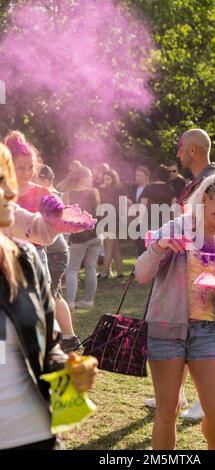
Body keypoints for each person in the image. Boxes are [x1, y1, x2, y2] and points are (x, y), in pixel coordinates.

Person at [135, 173, 215, 450]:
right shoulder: (175, 229)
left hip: (207, 332)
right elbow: (141, 274)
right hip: (165, 329)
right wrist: (159, 247)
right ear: (205, 198)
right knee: (166, 411)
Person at [0, 143, 98, 450]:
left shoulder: (26, 261)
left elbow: (46, 347)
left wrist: (66, 374)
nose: (7, 193)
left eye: (6, 182)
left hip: (37, 434)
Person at [145, 129, 215, 420]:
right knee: (183, 326)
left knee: (204, 327)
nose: (176, 154)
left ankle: (205, 399)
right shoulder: (196, 182)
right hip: (184, 265)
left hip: (205, 265)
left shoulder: (213, 181)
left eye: (180, 148)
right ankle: (175, 392)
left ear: (193, 151)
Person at [35, 164, 81, 352]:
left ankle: (53, 340)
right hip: (54, 251)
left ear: (45, 179)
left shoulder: (50, 196)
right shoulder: (47, 193)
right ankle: (70, 337)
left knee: (49, 296)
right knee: (55, 294)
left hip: (55, 252)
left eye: (35, 176)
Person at [4, 131, 51, 277]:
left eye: (30, 167)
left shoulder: (42, 192)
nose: (26, 173)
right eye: (21, 168)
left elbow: (49, 228)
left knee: (40, 299)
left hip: (36, 256)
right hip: (8, 257)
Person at [64, 166, 101, 310]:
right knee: (90, 267)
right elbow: (95, 208)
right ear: (82, 178)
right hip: (94, 234)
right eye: (89, 176)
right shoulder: (95, 192)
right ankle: (88, 300)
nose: (91, 179)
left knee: (73, 269)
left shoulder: (68, 194)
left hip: (79, 236)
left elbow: (65, 214)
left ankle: (71, 303)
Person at [97, 169, 125, 279]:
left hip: (110, 220)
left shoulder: (108, 190)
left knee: (108, 247)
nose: (106, 181)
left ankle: (104, 273)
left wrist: (102, 190)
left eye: (108, 179)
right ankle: (120, 272)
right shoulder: (120, 189)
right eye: (104, 179)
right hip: (116, 220)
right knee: (115, 248)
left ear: (114, 179)